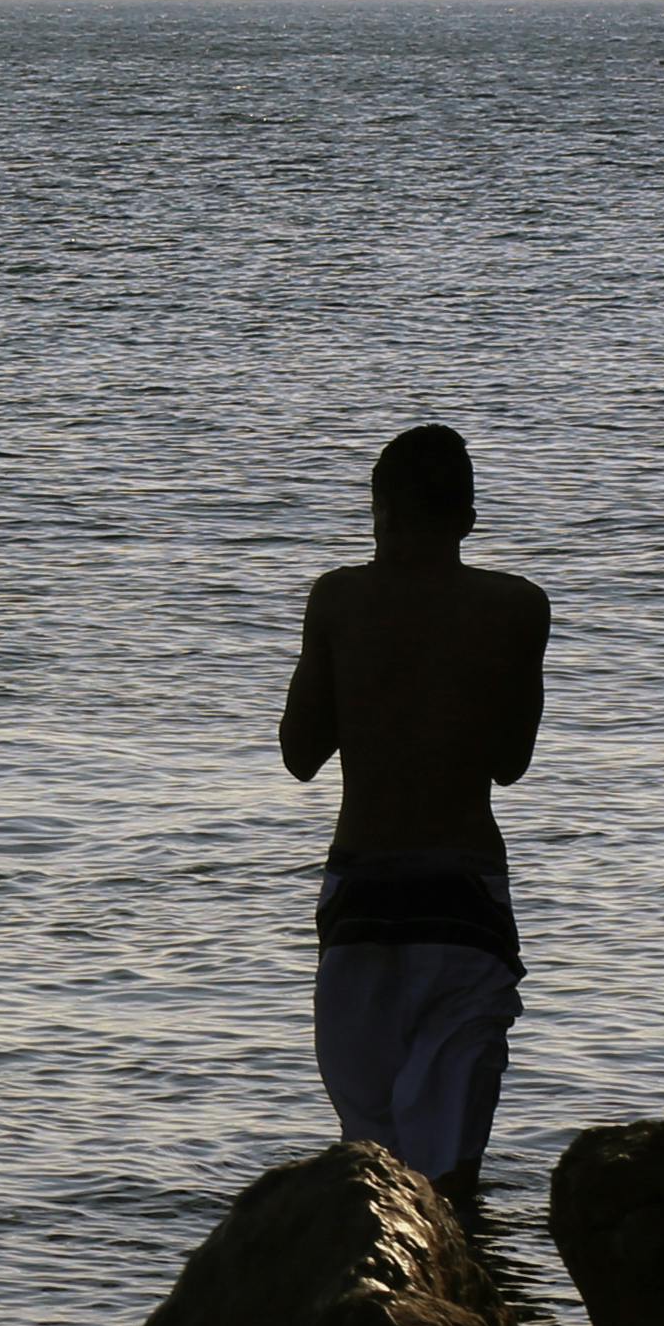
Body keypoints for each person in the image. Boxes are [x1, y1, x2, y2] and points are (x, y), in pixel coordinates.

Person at [276, 425, 552, 1187]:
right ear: (468, 519)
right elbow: (511, 763)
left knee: (372, 1170)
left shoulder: (339, 599)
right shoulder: (518, 607)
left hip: (361, 900)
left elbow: (299, 754)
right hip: (461, 902)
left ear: (380, 512)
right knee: (448, 1177)